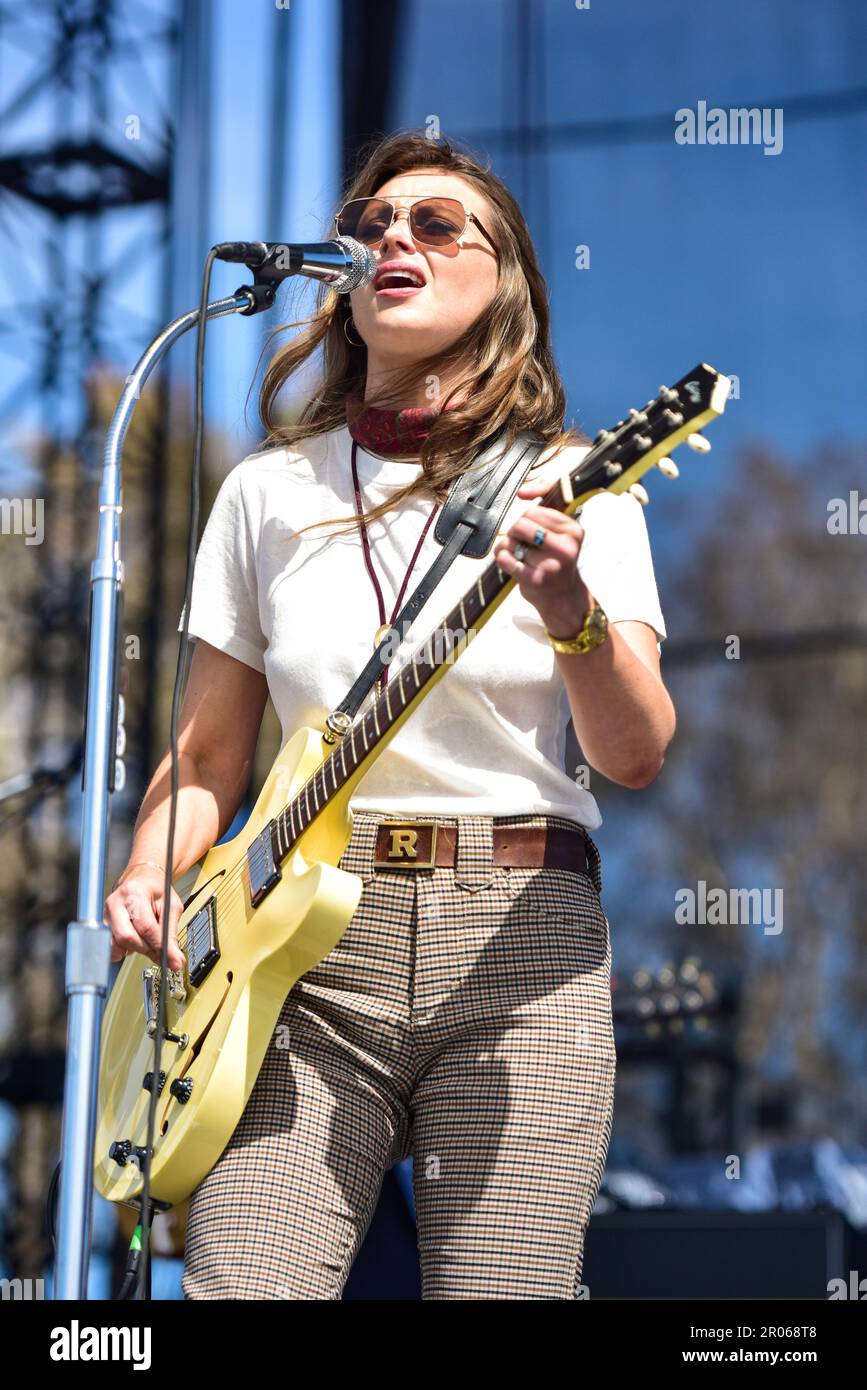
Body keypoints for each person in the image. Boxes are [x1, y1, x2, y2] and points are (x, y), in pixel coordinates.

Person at [104, 130, 674, 1301]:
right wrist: (150, 870)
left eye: (433, 224)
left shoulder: (578, 487)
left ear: (503, 278)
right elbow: (208, 755)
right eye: (370, 225)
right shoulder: (269, 490)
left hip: (522, 939)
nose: (391, 240)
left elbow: (637, 750)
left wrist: (569, 607)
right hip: (296, 957)